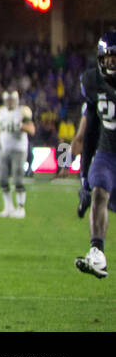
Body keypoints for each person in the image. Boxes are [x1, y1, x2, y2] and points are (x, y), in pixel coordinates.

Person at [75, 32, 115, 278]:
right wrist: (83, 179)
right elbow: (87, 133)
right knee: (98, 191)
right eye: (108, 58)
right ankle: (97, 254)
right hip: (107, 153)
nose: (112, 63)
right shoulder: (92, 82)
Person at [0, 90, 32, 218]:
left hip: (19, 149)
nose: (10, 102)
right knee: (2, 179)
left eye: (12, 100)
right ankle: (8, 207)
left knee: (18, 179)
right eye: (8, 100)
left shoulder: (23, 111)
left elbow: (32, 129)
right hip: (5, 149)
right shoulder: (0, 112)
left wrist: (20, 125)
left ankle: (21, 208)